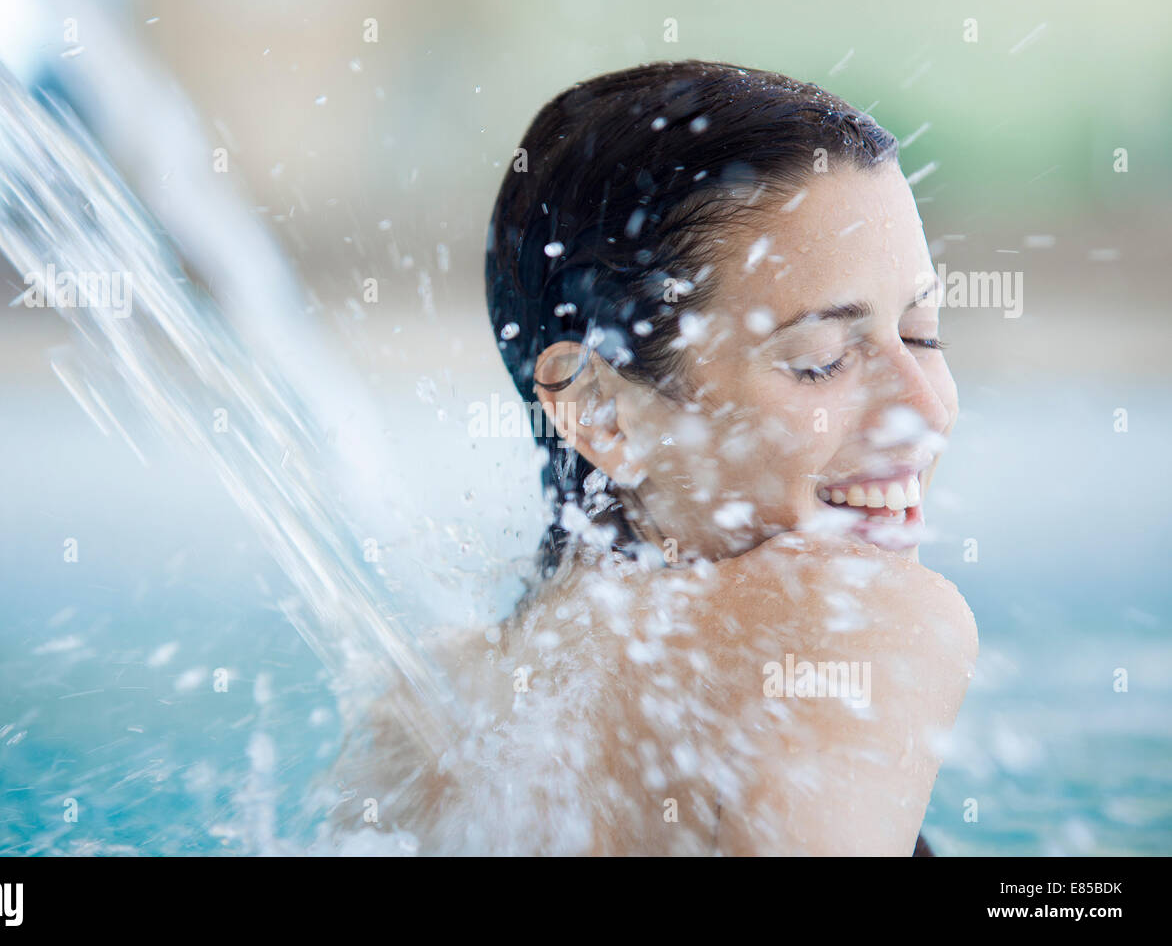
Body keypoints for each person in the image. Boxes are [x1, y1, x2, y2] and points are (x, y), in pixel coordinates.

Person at [315, 60, 977, 856]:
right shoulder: (856, 622)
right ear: (601, 411)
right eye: (821, 360)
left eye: (921, 334)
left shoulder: (428, 714)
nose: (925, 410)